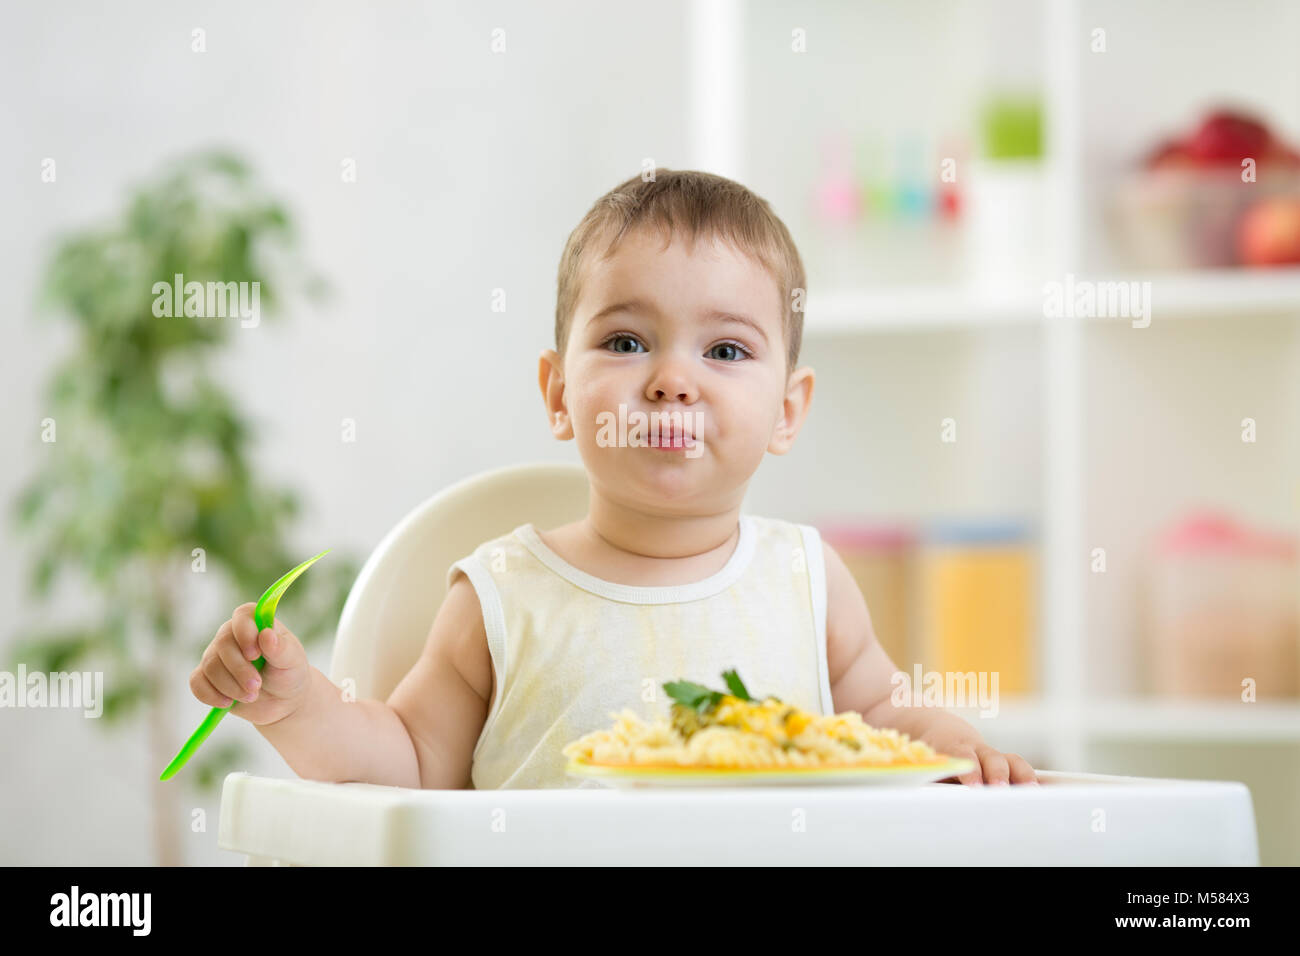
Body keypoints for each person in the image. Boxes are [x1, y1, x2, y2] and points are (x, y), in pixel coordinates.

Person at [191, 169, 1039, 790]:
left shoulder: (808, 583)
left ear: (787, 409)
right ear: (560, 394)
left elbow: (888, 724)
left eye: (726, 351)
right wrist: (297, 708)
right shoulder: (502, 597)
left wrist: (957, 746)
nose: (673, 378)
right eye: (629, 342)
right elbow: (407, 763)